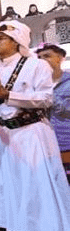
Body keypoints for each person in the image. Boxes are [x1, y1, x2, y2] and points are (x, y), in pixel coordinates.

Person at [0, 23, 70, 231]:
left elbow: (46, 98)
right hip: (4, 135)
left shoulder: (36, 65)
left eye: (1, 38)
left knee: (39, 188)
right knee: (13, 188)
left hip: (32, 133)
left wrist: (8, 95)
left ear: (17, 41)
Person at [36, 43, 70, 174]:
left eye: (47, 56)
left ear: (60, 58)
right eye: (39, 58)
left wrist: (48, 94)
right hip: (44, 146)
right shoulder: (35, 85)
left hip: (66, 143)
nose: (42, 60)